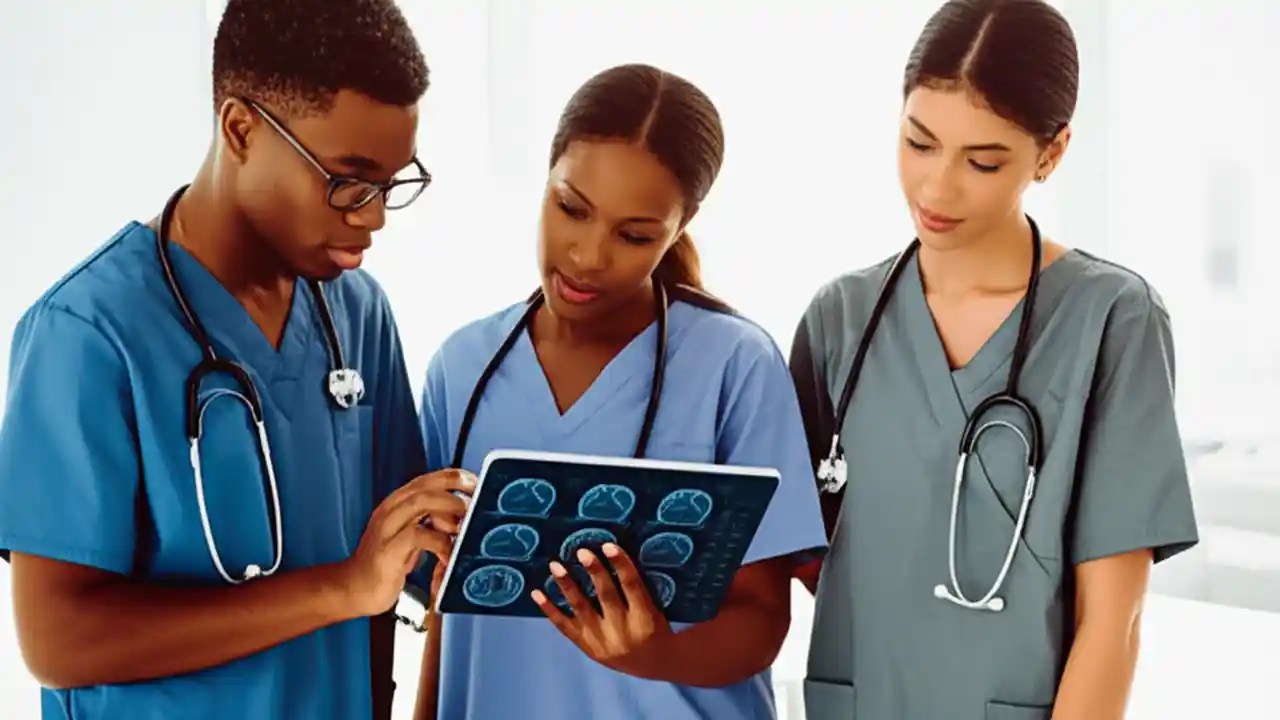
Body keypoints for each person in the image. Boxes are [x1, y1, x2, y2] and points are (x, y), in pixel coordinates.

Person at [0, 2, 469, 718]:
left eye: (392, 184)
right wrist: (342, 588)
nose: (372, 215)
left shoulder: (356, 313)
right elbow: (58, 640)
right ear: (241, 129)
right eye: (349, 178)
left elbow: (401, 568)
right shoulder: (88, 334)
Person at [791, 1, 1200, 718]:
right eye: (919, 143)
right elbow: (794, 547)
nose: (936, 189)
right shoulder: (839, 319)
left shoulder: (1112, 321)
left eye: (983, 161)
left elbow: (1114, 619)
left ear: (1052, 153)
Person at [410, 63, 827, 719]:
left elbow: (764, 617)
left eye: (635, 235)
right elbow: (449, 611)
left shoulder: (734, 367)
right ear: (545, 177)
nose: (587, 256)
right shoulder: (463, 367)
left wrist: (653, 655)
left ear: (680, 225)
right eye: (571, 208)